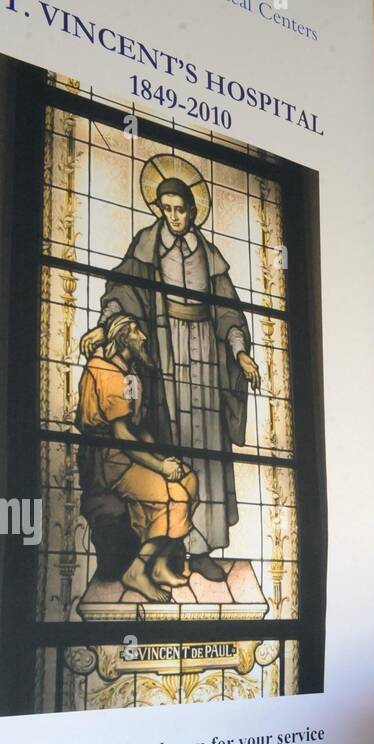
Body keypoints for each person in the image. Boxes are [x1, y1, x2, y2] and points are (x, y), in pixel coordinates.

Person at [80, 159, 260, 581]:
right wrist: (106, 324)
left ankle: (204, 548)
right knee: (171, 440)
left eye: (180, 208)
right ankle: (170, 549)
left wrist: (238, 352)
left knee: (209, 447)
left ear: (192, 210)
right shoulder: (147, 244)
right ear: (159, 208)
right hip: (164, 354)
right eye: (166, 208)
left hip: (206, 355)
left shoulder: (210, 255)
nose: (173, 216)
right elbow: (122, 292)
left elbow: (230, 312)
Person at [76, 313, 198, 603]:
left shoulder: (128, 373)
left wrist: (163, 458)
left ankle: (158, 565)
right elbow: (122, 435)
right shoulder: (105, 372)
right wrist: (159, 466)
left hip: (129, 450)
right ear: (122, 338)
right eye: (135, 332)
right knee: (171, 496)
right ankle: (136, 570)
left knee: (188, 481)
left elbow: (135, 427)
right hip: (109, 459)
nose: (143, 337)